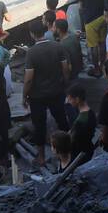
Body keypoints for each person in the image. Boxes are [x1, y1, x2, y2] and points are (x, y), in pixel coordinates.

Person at [23, 18, 70, 167]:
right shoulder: (57, 46)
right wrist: (65, 83)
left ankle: (41, 157)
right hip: (57, 91)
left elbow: (29, 79)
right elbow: (65, 68)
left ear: (32, 34)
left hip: (38, 97)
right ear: (45, 30)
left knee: (39, 126)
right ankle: (68, 151)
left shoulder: (31, 52)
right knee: (62, 120)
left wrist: (24, 95)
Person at [78, 0, 108, 76]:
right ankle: (103, 65)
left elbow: (80, 8)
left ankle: (96, 69)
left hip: (90, 21)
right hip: (103, 17)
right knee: (102, 43)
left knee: (93, 46)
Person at [65, 85, 96, 162]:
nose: (68, 101)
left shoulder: (81, 120)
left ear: (77, 99)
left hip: (79, 155)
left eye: (70, 99)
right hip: (88, 149)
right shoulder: (90, 112)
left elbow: (72, 139)